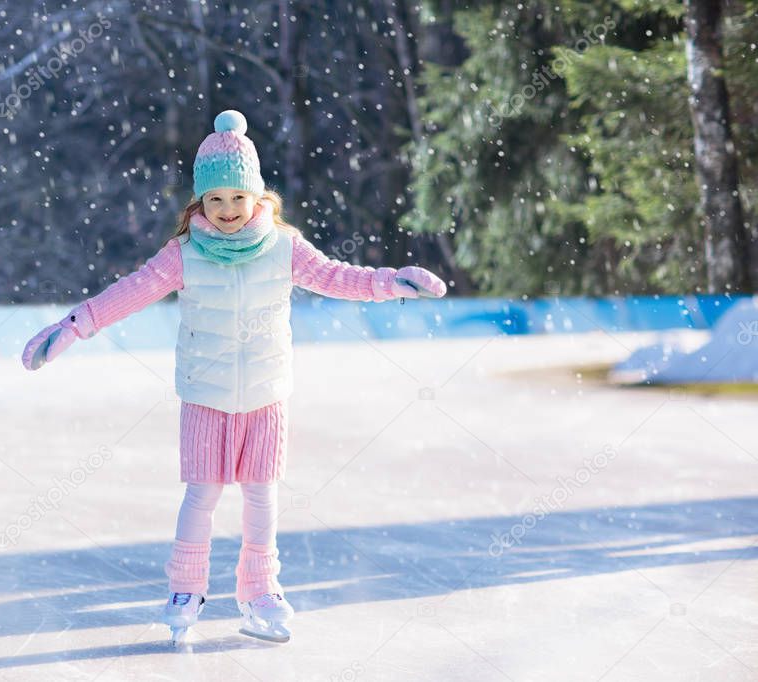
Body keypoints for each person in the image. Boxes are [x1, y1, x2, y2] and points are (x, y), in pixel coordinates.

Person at [22, 110, 447, 643]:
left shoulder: (285, 247)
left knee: (262, 496)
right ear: (200, 203)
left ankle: (260, 591)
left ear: (258, 197)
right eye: (215, 200)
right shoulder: (183, 255)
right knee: (201, 496)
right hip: (205, 395)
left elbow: (338, 277)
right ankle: (185, 590)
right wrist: (73, 325)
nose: (226, 210)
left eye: (237, 198)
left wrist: (391, 282)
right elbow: (129, 292)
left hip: (266, 396)